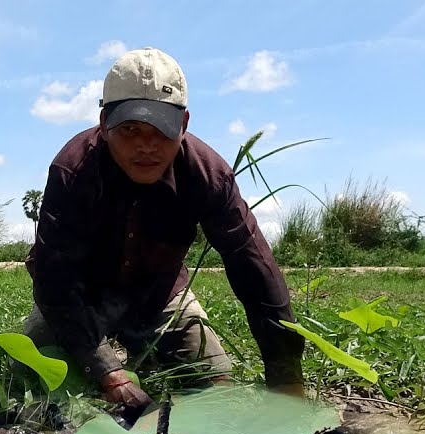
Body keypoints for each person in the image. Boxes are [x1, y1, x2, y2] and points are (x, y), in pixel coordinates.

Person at [23, 46, 305, 412]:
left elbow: (253, 265)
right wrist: (108, 372)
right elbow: (53, 277)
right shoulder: (73, 169)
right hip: (82, 299)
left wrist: (286, 377)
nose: (146, 146)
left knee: (217, 390)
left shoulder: (208, 174)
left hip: (160, 297)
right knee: (30, 380)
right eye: (129, 129)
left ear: (184, 125)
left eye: (162, 130)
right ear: (104, 124)